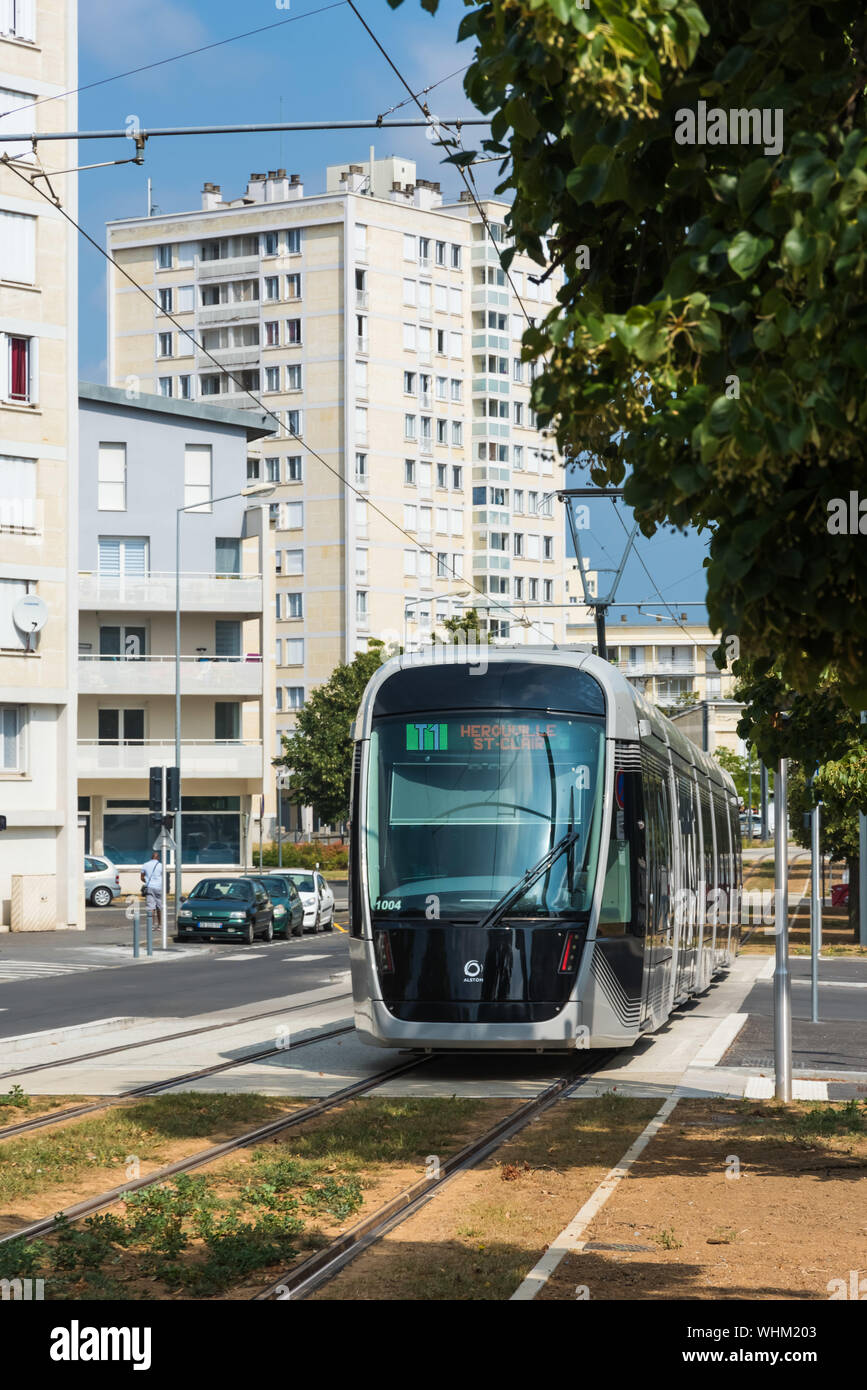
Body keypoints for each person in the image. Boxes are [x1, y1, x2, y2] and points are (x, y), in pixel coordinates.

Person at [140, 851, 163, 929]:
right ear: (158, 858)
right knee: (159, 907)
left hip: (149, 888)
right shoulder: (161, 866)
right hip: (159, 888)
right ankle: (160, 925)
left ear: (151, 857)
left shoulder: (145, 865)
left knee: (151, 907)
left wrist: (147, 882)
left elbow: (142, 877)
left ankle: (152, 925)